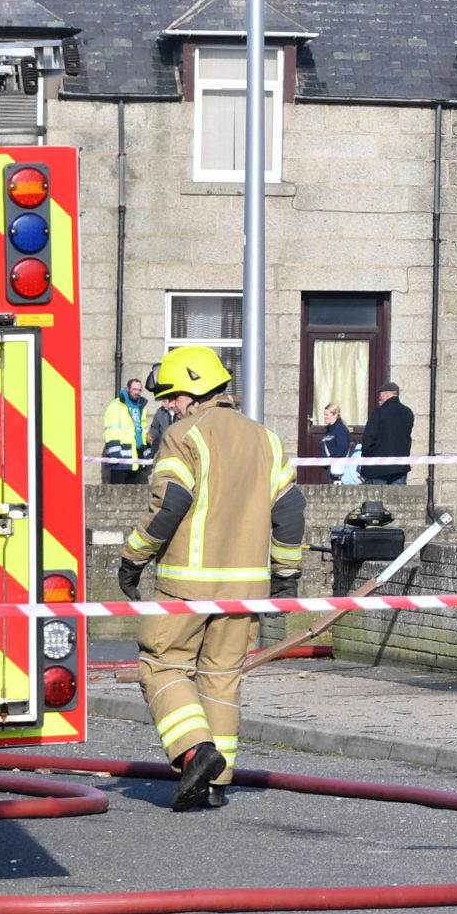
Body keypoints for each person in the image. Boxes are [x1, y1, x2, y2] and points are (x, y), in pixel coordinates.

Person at [116, 346, 304, 812]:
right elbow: (291, 512)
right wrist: (285, 574)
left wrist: (133, 557)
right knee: (221, 677)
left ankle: (196, 751)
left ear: (195, 392)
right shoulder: (268, 440)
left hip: (188, 583)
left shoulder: (183, 437)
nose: (167, 405)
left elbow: (170, 504)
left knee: (162, 664)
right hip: (247, 588)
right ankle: (217, 782)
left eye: (173, 396)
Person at [358, 381, 414, 486]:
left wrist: (366, 461)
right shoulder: (408, 413)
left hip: (377, 469)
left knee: (376, 501)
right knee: (398, 501)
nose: (379, 401)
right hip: (400, 468)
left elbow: (368, 440)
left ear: (386, 395)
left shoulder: (378, 414)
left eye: (380, 398)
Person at [100, 378, 150, 485]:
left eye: (139, 390)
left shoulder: (142, 407)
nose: (137, 392)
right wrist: (115, 456)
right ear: (128, 389)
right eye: (134, 389)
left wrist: (146, 454)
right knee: (117, 494)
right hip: (121, 456)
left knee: (134, 496)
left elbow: (143, 431)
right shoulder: (116, 406)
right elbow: (111, 431)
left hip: (137, 456)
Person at [319, 404, 360, 484]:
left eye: (327, 414)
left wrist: (331, 459)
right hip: (330, 466)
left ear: (335, 415)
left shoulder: (341, 430)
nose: (325, 417)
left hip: (338, 468)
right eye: (324, 414)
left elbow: (342, 448)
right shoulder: (329, 430)